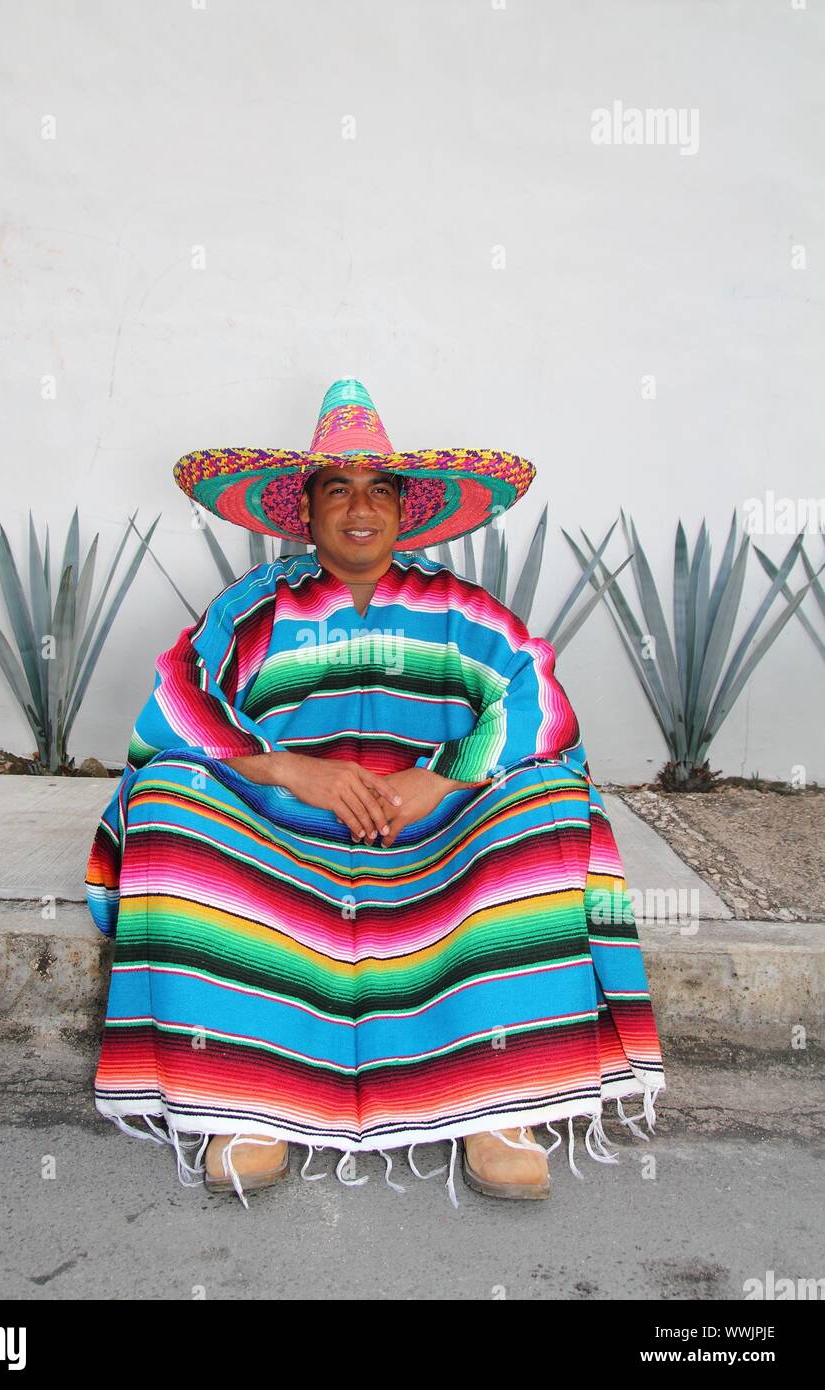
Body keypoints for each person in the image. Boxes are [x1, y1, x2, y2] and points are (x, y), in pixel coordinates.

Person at [85, 377, 666, 1210]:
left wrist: (440, 777)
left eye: (378, 490)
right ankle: (252, 1102)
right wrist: (291, 770)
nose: (359, 508)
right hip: (282, 839)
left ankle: (499, 1106)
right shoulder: (254, 608)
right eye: (338, 490)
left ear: (403, 509)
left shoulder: (462, 609)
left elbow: (538, 697)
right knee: (167, 801)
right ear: (306, 509)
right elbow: (175, 710)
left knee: (552, 801)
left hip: (436, 837)